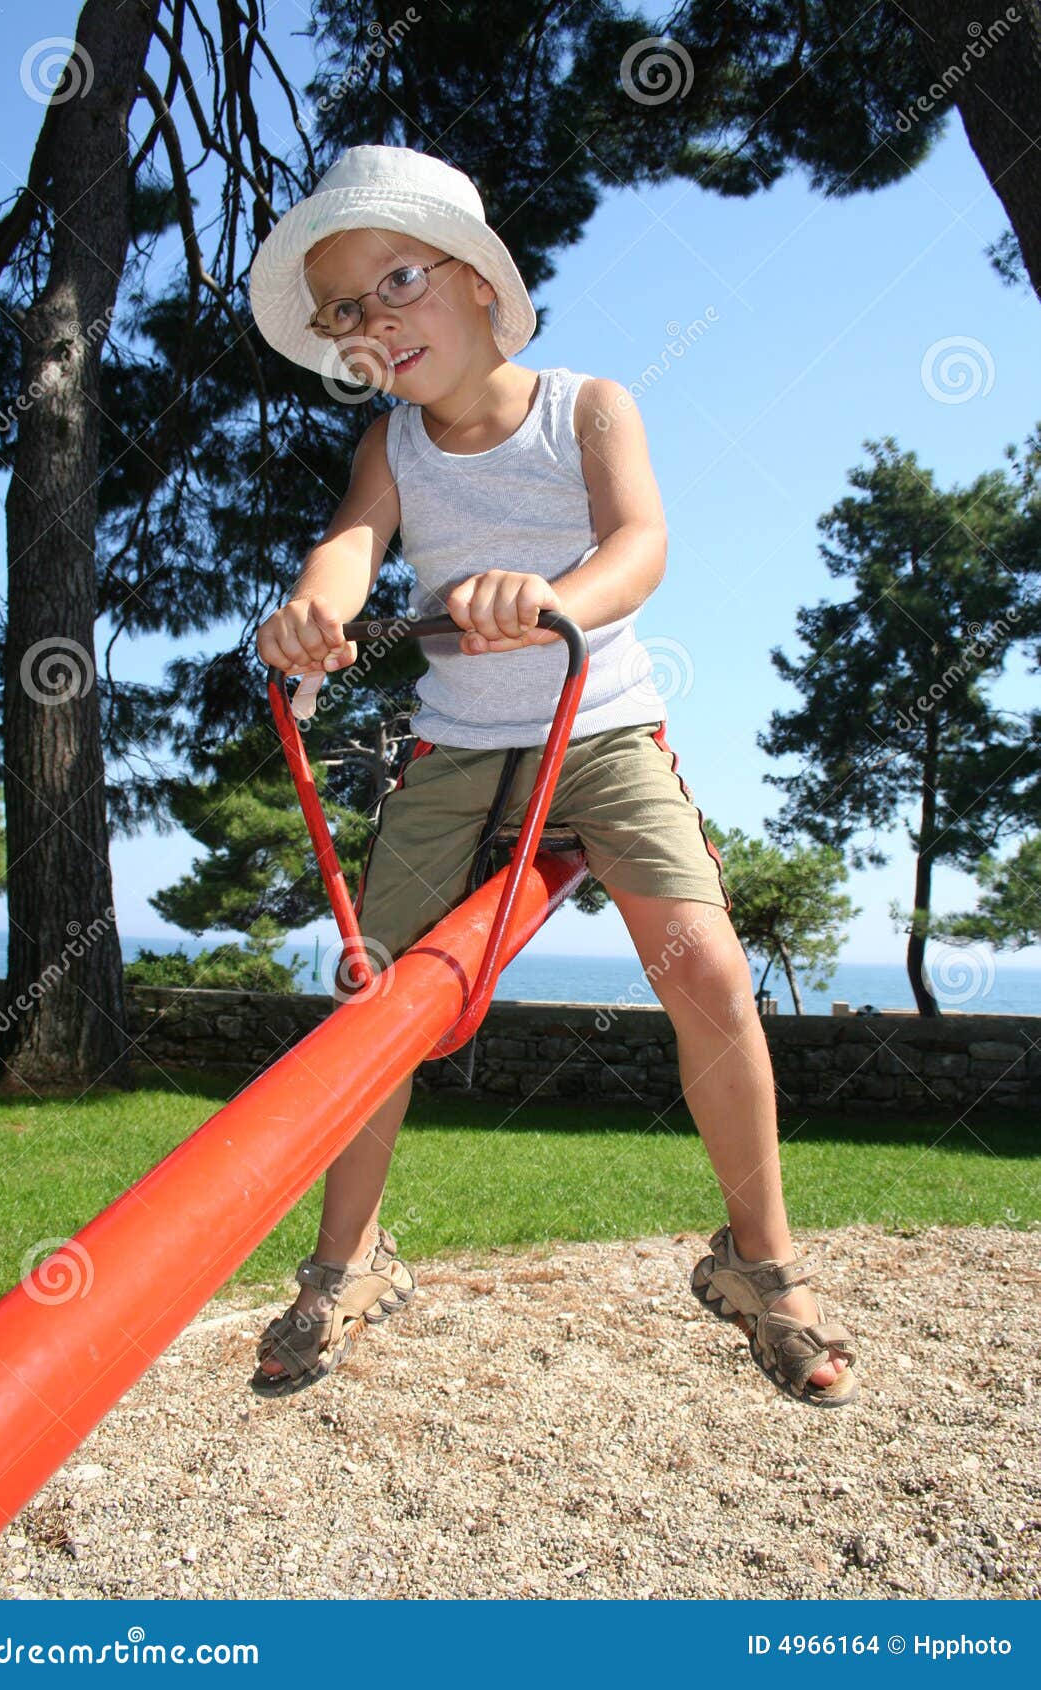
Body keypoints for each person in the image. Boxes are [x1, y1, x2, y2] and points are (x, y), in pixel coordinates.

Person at [248, 144, 859, 1409]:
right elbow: (351, 542)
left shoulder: (587, 407)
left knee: (705, 969)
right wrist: (315, 609)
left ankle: (763, 1261)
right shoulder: (393, 446)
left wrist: (554, 597)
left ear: (480, 280)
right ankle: (346, 1260)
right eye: (346, 311)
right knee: (375, 998)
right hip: (460, 746)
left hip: (603, 726)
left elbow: (641, 541)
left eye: (399, 281)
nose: (374, 323)